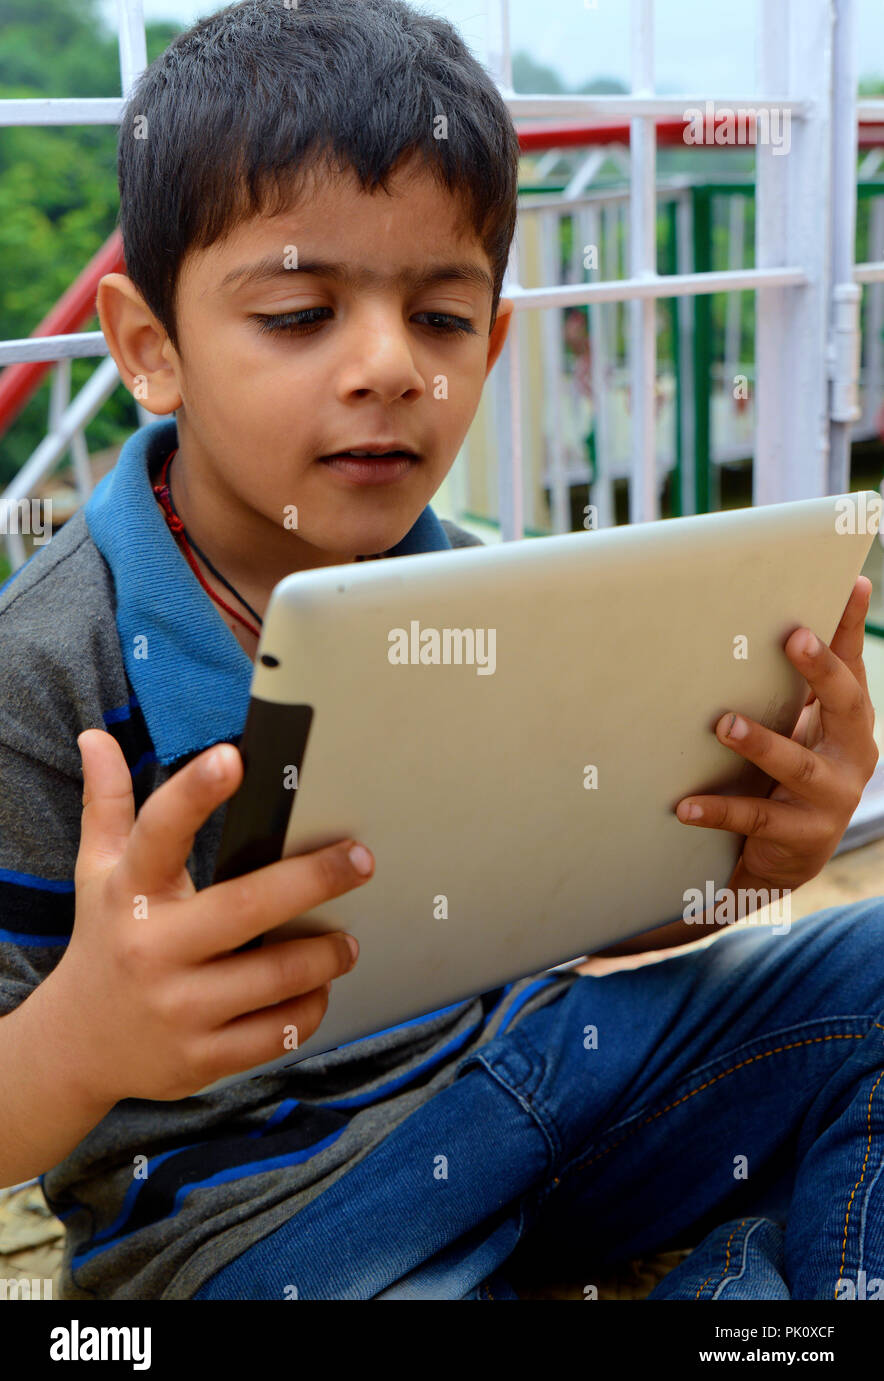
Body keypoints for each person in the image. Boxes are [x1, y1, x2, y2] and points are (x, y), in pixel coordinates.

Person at [0, 0, 881, 1302]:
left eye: (442, 318)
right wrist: (84, 1039)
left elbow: (547, 907)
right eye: (301, 313)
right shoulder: (46, 671)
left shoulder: (475, 580)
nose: (387, 366)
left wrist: (753, 864)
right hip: (277, 1216)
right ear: (148, 347)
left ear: (494, 340)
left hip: (547, 1073)